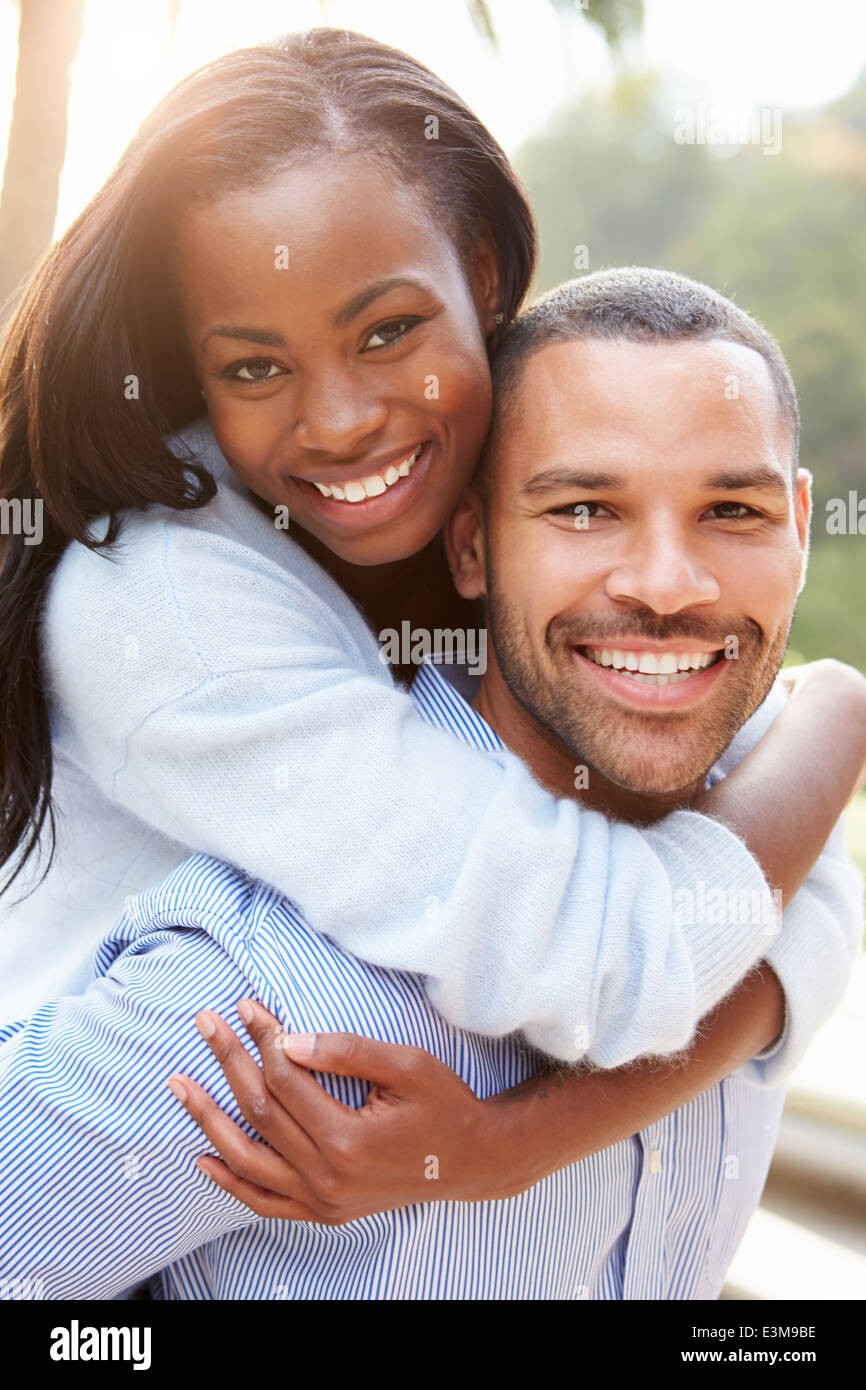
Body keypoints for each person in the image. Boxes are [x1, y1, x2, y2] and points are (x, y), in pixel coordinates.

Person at [0, 271, 863, 1299]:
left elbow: (780, 939)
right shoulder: (278, 998)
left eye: (731, 508)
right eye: (585, 508)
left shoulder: (770, 833)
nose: (666, 584)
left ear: (799, 528)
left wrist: (509, 1144)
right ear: (470, 543)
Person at [0, 32, 838, 1066]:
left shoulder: (518, 481)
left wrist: (531, 1140)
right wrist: (834, 721)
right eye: (256, 367)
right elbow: (613, 957)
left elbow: (792, 880)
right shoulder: (159, 602)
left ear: (482, 275)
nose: (341, 421)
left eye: (388, 331)